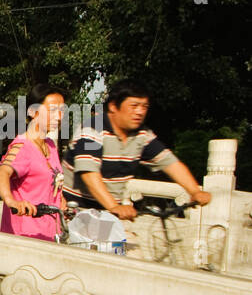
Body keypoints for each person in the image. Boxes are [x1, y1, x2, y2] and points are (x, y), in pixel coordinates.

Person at [64, 80, 210, 219]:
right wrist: (114, 206)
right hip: (74, 208)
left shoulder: (142, 135)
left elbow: (170, 163)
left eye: (144, 106)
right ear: (113, 106)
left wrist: (195, 191)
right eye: (134, 106)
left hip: (108, 212)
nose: (140, 112)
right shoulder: (92, 130)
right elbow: (89, 174)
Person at [0, 84, 66, 241]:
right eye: (52, 110)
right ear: (33, 112)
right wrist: (10, 200)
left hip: (50, 235)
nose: (59, 117)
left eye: (62, 110)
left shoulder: (51, 146)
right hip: (25, 238)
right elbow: (2, 173)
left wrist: (60, 200)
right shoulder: (22, 146)